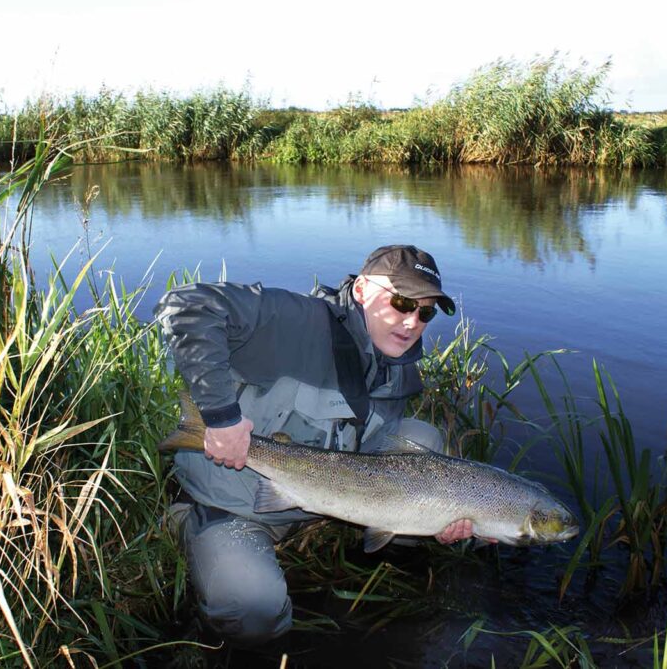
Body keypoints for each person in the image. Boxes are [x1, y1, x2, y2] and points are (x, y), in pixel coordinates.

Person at [154, 244, 474, 645]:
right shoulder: (296, 320)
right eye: (401, 301)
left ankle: (385, 534)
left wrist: (445, 515)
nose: (411, 322)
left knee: (424, 440)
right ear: (360, 290)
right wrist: (220, 417)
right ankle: (189, 522)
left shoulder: (399, 368)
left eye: (424, 312)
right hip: (236, 502)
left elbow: (370, 446)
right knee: (253, 610)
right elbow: (187, 306)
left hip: (322, 490)